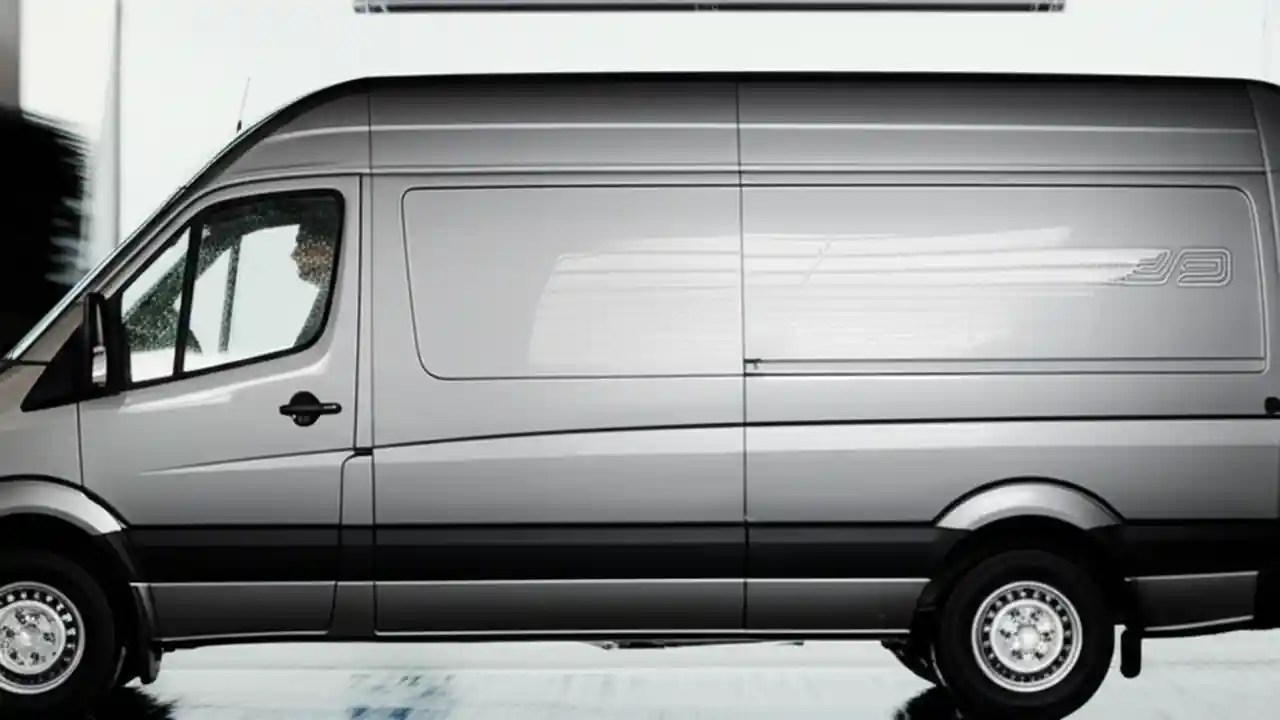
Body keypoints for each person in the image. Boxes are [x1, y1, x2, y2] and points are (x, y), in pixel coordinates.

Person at [291, 220, 336, 346]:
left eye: (304, 244)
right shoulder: (332, 294)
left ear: (328, 249)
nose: (294, 255)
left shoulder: (346, 298)